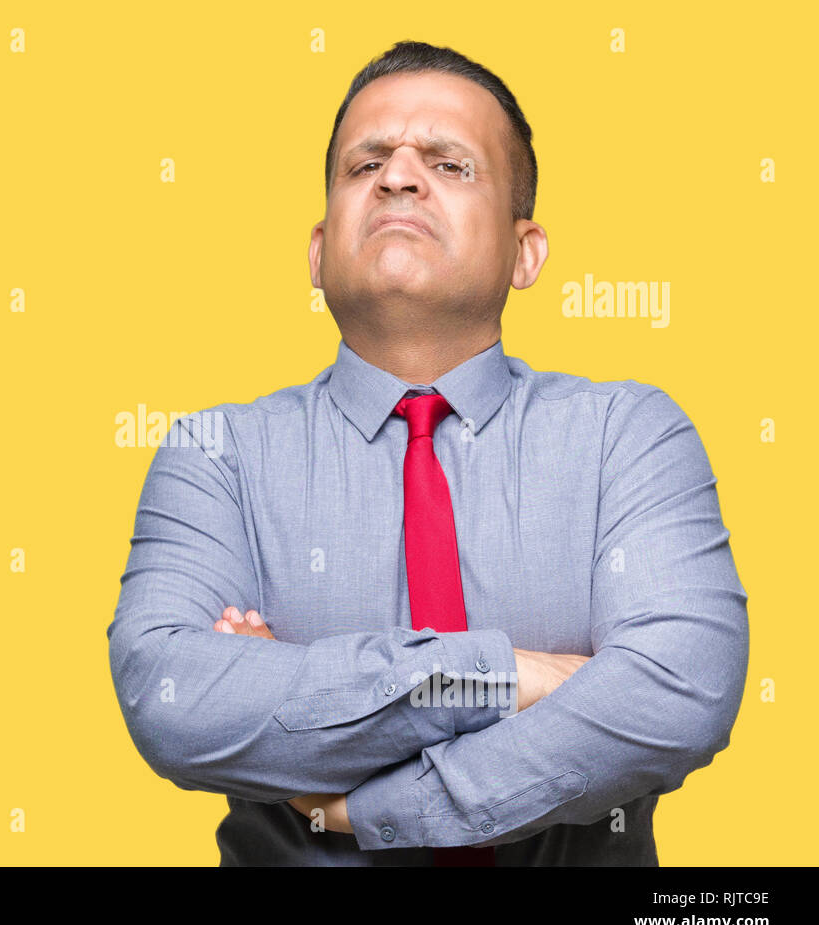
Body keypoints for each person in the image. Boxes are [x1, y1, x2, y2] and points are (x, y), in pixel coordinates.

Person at [105, 40, 749, 866]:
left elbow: (679, 695)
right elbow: (172, 697)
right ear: (316, 250)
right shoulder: (214, 453)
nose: (398, 176)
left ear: (527, 254)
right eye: (364, 163)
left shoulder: (630, 435)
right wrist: (509, 676)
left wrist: (357, 801)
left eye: (450, 164)